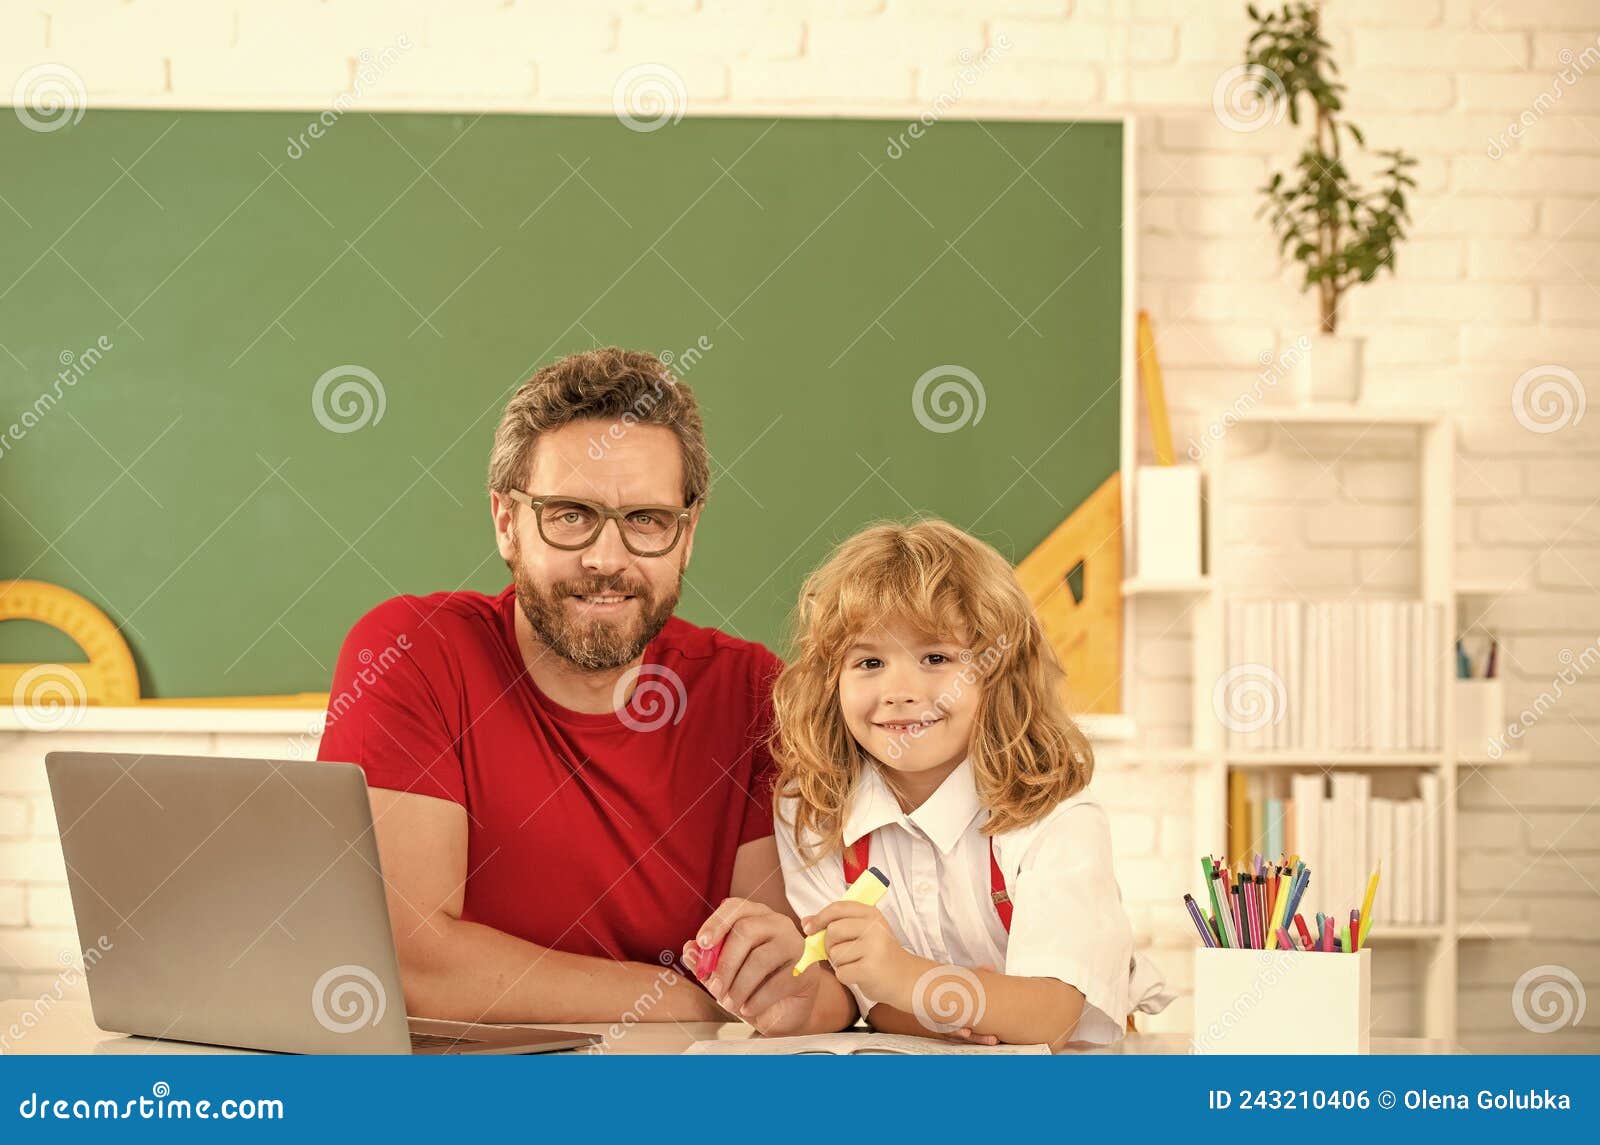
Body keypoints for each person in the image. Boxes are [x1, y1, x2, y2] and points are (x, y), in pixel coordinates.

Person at [316, 347, 815, 1029]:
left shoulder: (754, 691)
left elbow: (768, 978)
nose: (607, 559)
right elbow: (408, 965)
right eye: (571, 513)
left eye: (646, 520)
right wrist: (686, 998)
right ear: (505, 522)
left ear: (687, 533)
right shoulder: (412, 652)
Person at [755, 519, 1171, 1050]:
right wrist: (970, 1004)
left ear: (998, 674)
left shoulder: (1056, 813)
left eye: (936, 658)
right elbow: (875, 1009)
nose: (900, 690)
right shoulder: (810, 812)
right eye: (869, 661)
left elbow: (1053, 1014)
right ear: (829, 680)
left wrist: (908, 979)